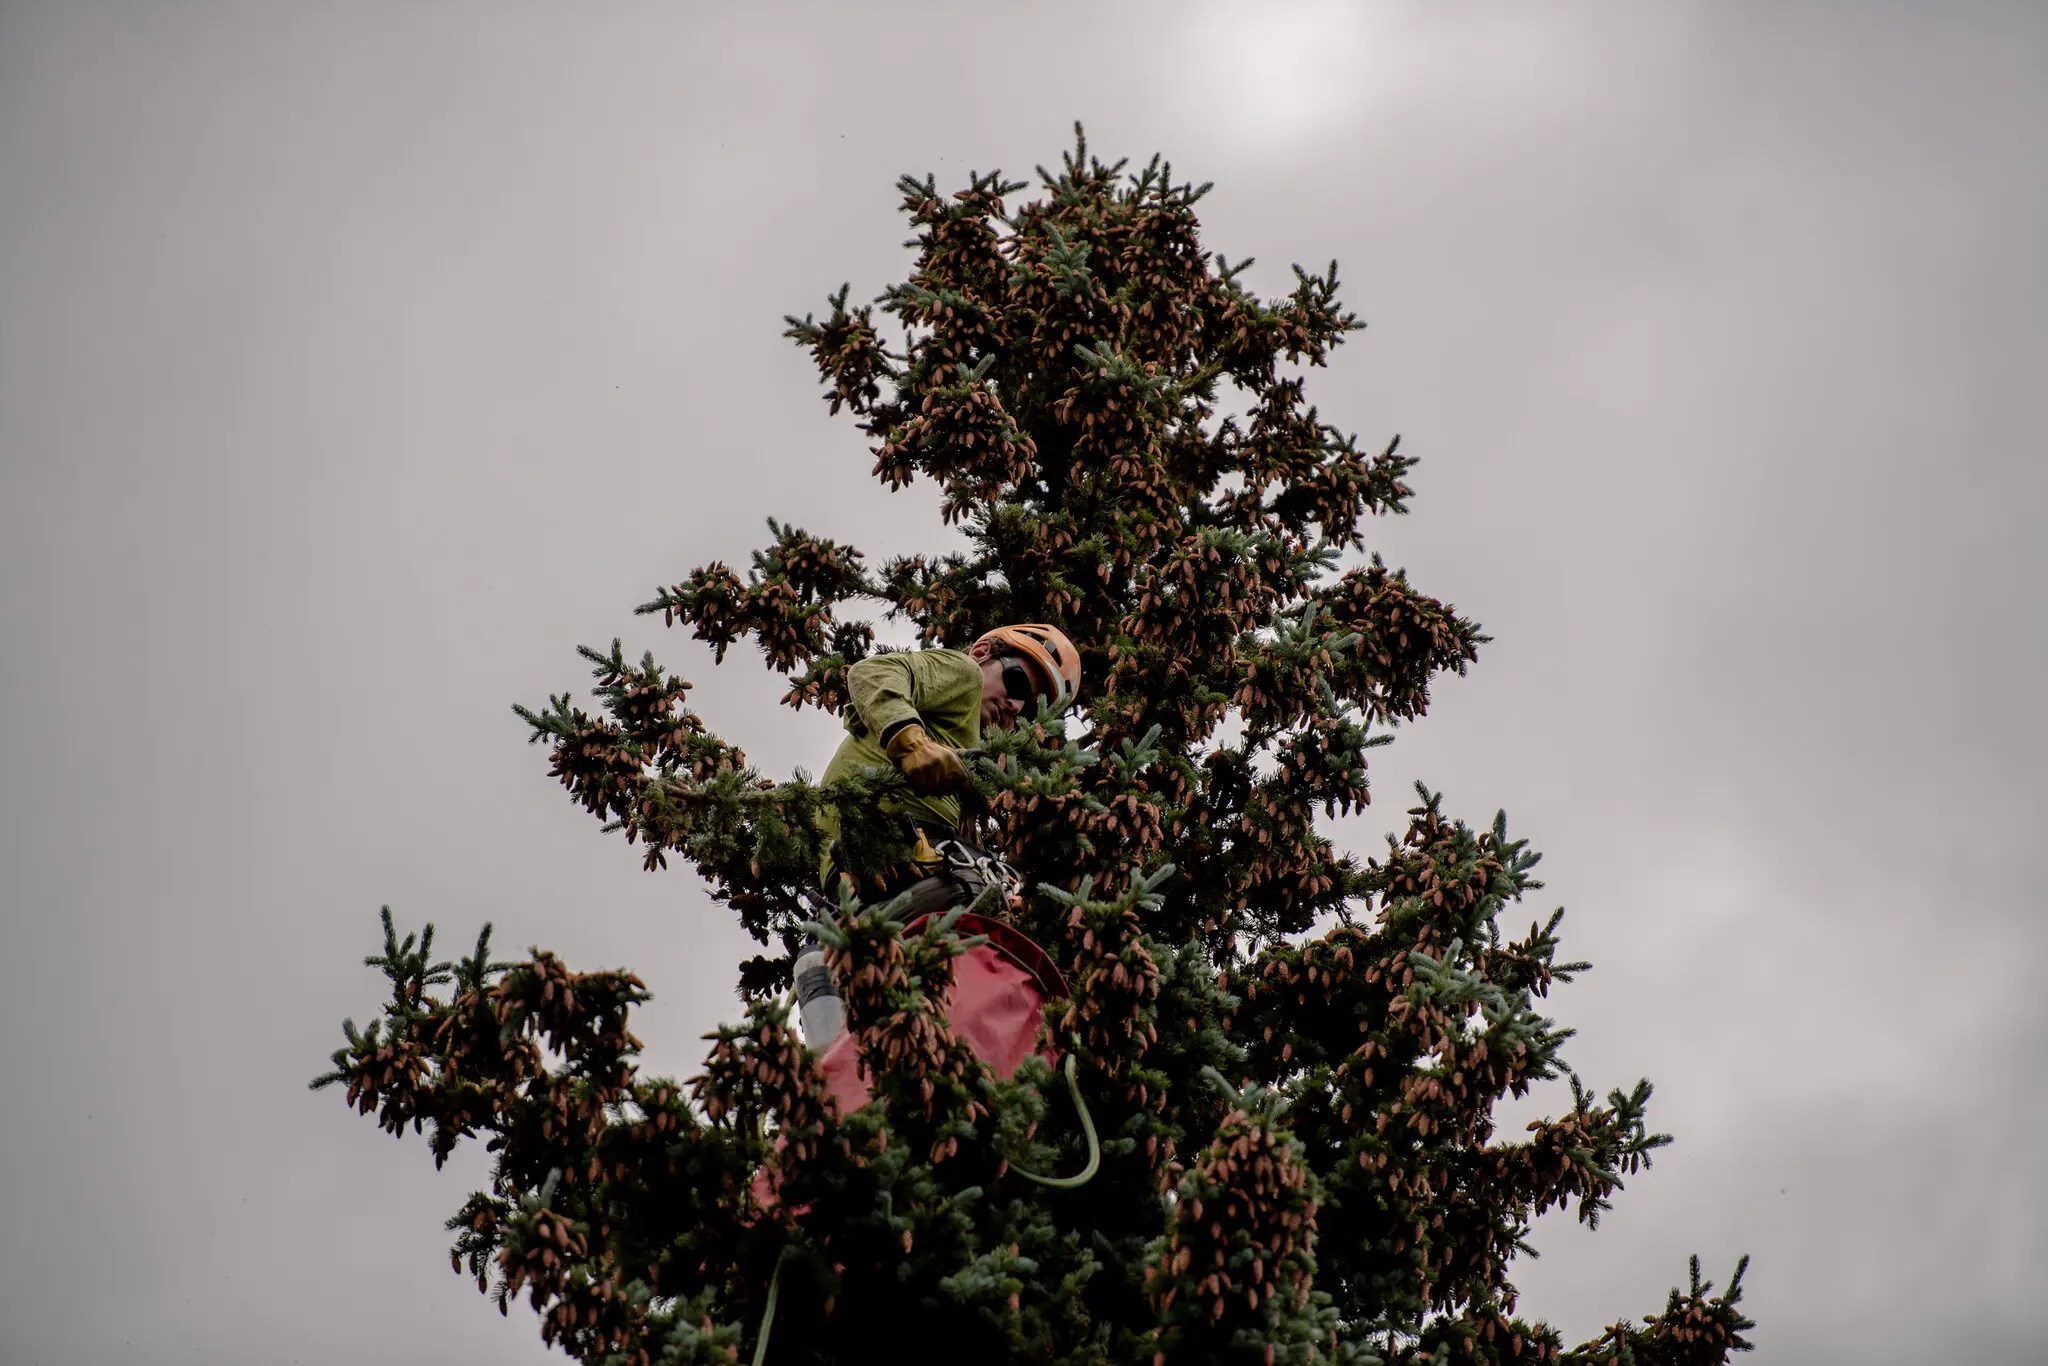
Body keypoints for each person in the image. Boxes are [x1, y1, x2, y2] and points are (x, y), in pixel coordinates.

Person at [813, 623, 1081, 908]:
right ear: (981, 653)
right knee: (984, 891)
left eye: (1029, 710)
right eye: (1017, 683)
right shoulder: (967, 673)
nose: (1016, 705)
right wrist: (909, 742)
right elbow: (872, 672)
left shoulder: (965, 753)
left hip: (868, 885)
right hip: (884, 853)